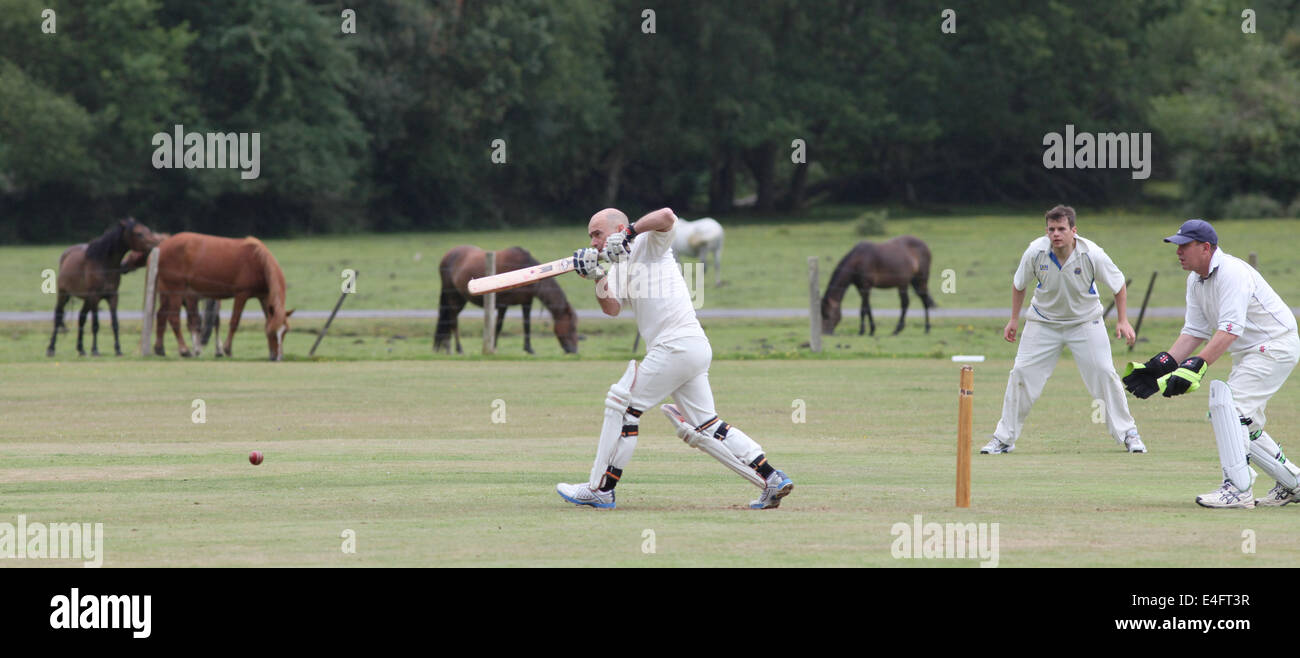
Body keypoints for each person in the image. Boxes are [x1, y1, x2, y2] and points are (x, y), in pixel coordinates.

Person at [554, 208, 794, 510]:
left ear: (617, 228)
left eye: (597, 234)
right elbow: (611, 309)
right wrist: (597, 276)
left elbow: (667, 216)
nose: (593, 242)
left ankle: (601, 489)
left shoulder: (647, 243)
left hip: (676, 345)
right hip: (690, 349)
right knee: (708, 425)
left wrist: (630, 233)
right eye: (590, 237)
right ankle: (771, 477)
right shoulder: (615, 268)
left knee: (623, 407)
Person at [1123, 219, 1300, 508]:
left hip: (1275, 346)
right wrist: (1160, 366)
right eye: (1177, 246)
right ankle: (1293, 483)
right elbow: (1195, 331)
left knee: (1229, 408)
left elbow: (1230, 329)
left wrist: (1197, 366)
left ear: (1206, 248)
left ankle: (1238, 488)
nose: (1178, 252)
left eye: (1185, 246)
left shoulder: (1232, 272)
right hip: (1251, 352)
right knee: (1245, 422)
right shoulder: (1195, 279)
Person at [982, 205, 1146, 454]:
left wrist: (1123, 320)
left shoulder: (1092, 254)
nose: (1056, 234)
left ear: (1073, 231)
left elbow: (1118, 284)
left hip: (1085, 322)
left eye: (1061, 229)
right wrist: (1014, 320)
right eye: (1051, 229)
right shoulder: (1035, 251)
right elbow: (1018, 285)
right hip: (1042, 322)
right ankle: (1003, 438)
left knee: (1104, 372)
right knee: (1021, 374)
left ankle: (1128, 434)